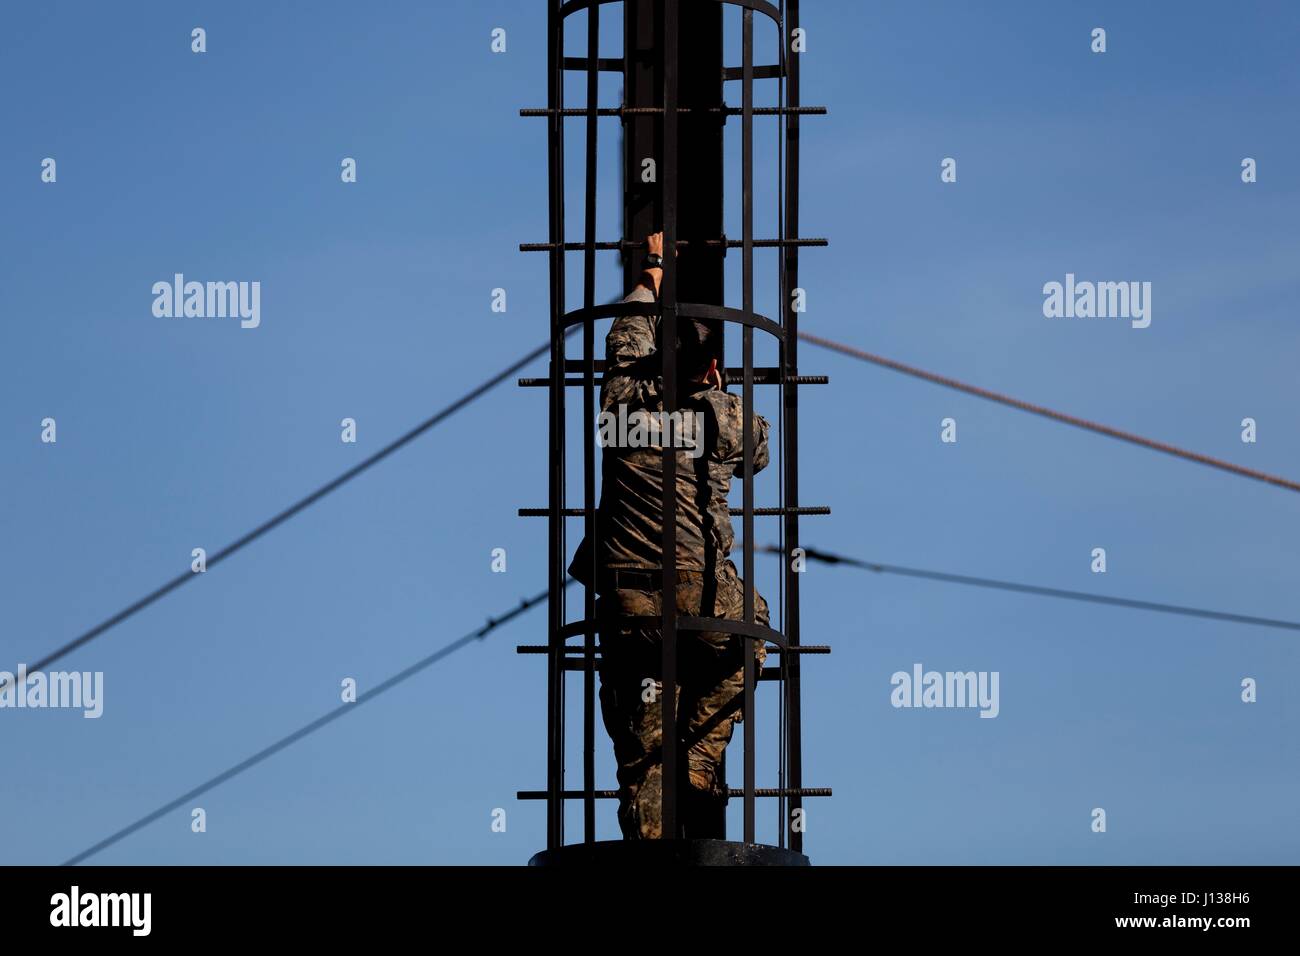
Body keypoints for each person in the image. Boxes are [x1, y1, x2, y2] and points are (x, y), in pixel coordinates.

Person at [569, 231, 771, 840]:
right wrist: (714, 389)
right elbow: (759, 452)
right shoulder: (722, 416)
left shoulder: (619, 402)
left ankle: (645, 849)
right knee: (751, 633)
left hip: (628, 606)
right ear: (709, 369)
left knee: (641, 752)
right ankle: (702, 757)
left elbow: (623, 335)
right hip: (701, 598)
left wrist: (654, 268)